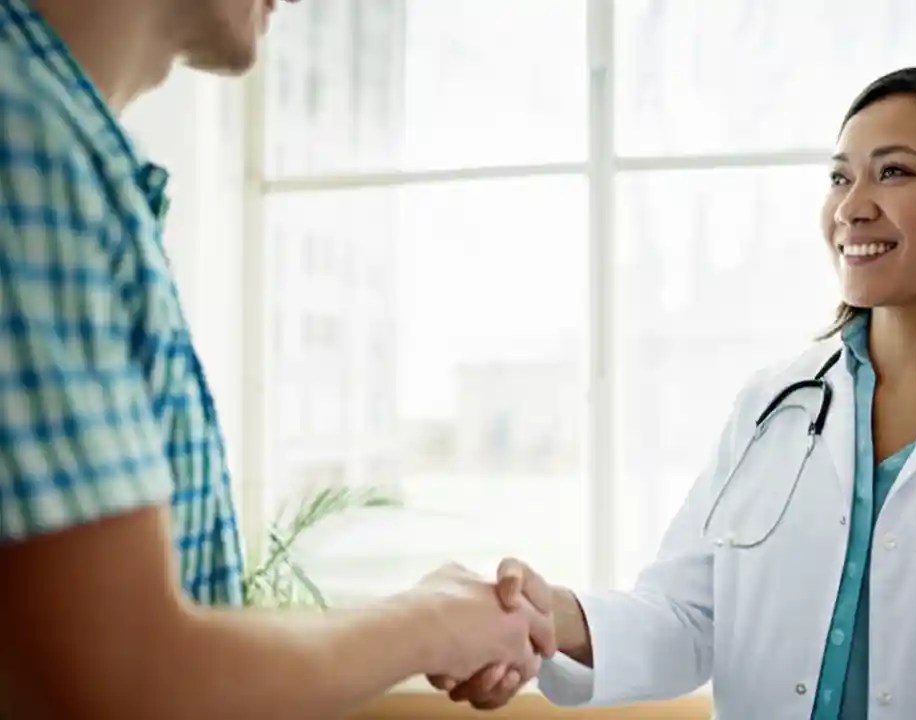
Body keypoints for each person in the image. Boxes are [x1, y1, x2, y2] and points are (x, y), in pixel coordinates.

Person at [437, 67, 916, 718]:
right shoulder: (775, 404)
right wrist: (552, 617)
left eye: (893, 171)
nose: (851, 206)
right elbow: (688, 617)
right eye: (841, 176)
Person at [0, 0, 553, 717]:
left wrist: (436, 618)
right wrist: (431, 626)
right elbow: (127, 676)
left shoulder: (71, 155)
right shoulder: (28, 142)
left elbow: (133, 634)